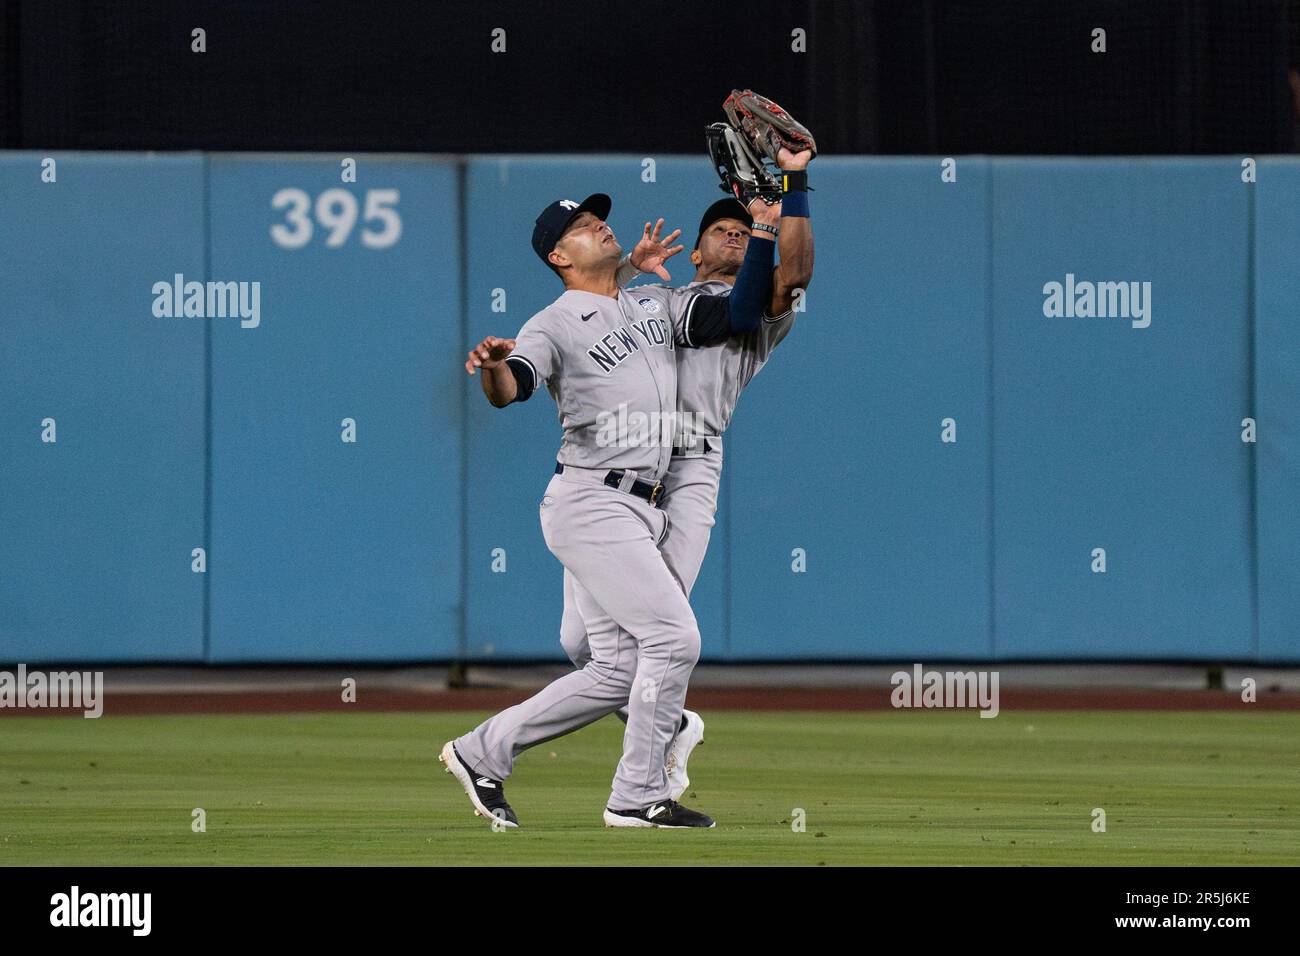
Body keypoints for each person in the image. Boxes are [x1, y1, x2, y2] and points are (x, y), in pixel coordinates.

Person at [442, 190, 780, 828]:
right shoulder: (553, 321)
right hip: (592, 498)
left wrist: (762, 231)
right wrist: (491, 368)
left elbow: (737, 312)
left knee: (616, 668)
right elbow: (511, 387)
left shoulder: (646, 306)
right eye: (579, 225)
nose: (597, 224)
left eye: (597, 218)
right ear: (558, 255)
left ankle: (480, 752)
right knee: (674, 636)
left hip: (643, 504)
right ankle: (635, 795)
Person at [560, 148, 815, 799]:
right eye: (720, 231)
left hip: (688, 468)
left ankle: (642, 788)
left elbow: (795, 271)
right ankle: (673, 725)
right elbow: (577, 319)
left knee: (656, 627)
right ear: (695, 253)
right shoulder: (653, 299)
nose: (735, 235)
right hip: (615, 461)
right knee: (580, 645)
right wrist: (625, 270)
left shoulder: (757, 311)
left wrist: (794, 186)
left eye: (743, 230)